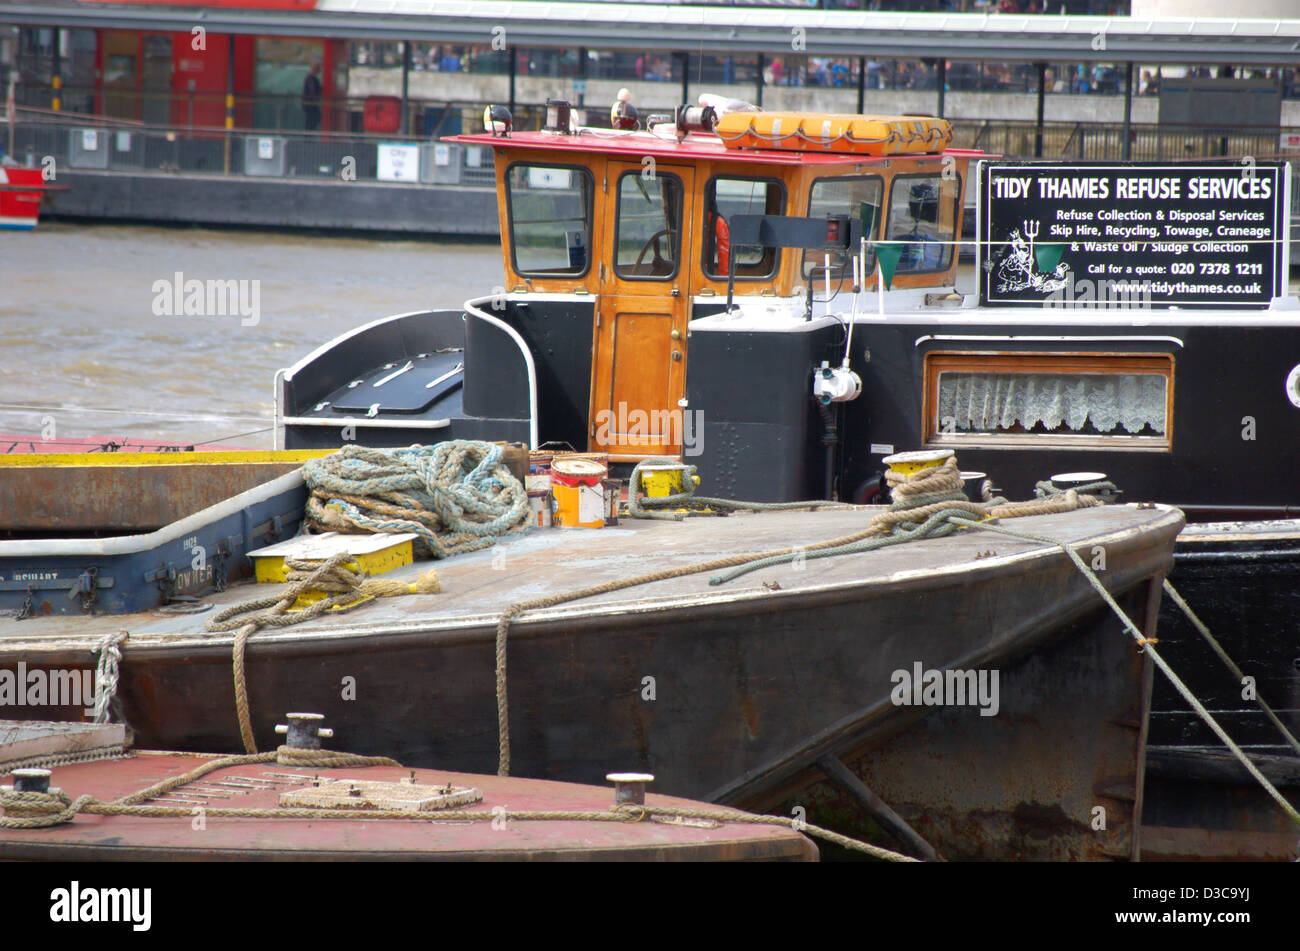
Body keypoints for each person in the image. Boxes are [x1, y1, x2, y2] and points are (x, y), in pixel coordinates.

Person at [301, 62, 322, 131]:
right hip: (310, 104)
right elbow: (312, 90)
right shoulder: (311, 78)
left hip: (309, 104)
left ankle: (308, 136)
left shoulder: (310, 78)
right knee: (312, 121)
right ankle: (308, 137)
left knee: (311, 122)